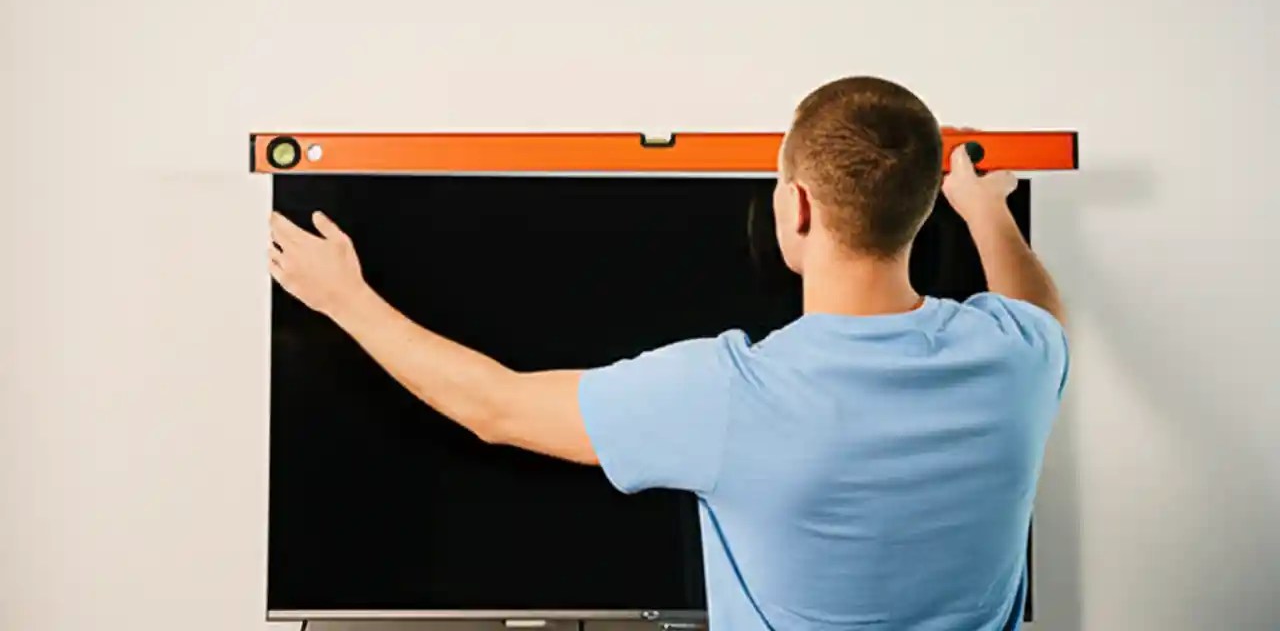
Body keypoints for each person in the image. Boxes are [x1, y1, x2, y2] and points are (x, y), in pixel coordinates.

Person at [267, 76, 1069, 631]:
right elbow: (1040, 307)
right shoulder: (1018, 359)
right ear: (922, 211)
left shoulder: (733, 393)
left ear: (793, 207)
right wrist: (987, 212)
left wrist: (344, 298)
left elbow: (496, 407)